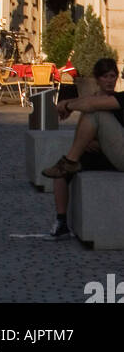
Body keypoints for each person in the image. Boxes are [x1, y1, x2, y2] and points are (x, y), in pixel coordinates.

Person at [42, 57, 124, 238]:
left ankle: (69, 161)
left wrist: (66, 104)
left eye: (113, 76)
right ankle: (61, 220)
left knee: (95, 112)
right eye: (105, 77)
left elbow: (91, 106)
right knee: (61, 169)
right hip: (101, 152)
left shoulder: (117, 99)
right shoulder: (94, 100)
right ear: (97, 79)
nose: (110, 80)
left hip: (116, 155)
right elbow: (84, 129)